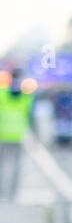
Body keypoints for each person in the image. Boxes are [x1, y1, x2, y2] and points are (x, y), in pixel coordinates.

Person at [0, 68, 34, 200]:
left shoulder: (2, 94)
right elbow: (30, 116)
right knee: (16, 166)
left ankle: (2, 192)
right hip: (18, 135)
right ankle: (12, 193)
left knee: (2, 165)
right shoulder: (26, 97)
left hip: (2, 135)